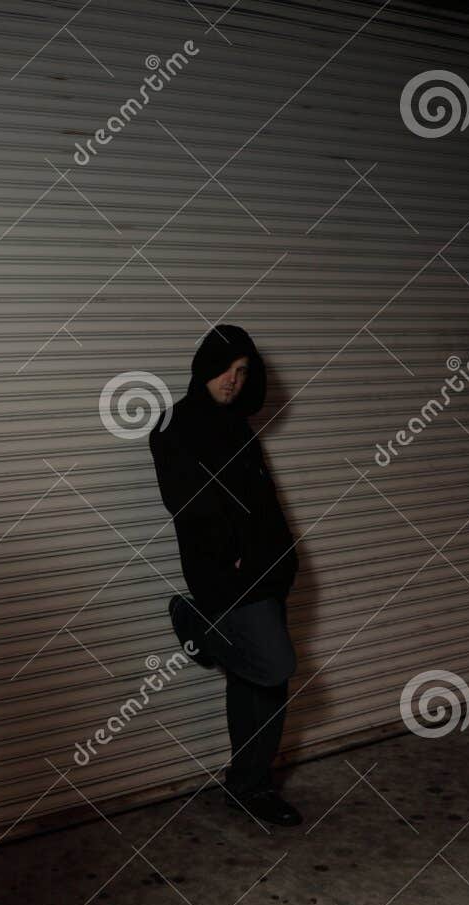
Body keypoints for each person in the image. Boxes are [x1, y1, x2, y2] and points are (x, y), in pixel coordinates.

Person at [148, 324, 302, 828]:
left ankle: (246, 784)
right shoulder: (176, 424)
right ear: (204, 364)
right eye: (226, 368)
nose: (233, 380)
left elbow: (263, 498)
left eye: (243, 372)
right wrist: (228, 551)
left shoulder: (238, 426)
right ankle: (198, 629)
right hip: (227, 574)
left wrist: (282, 553)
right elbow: (186, 501)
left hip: (269, 569)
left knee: (252, 679)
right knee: (276, 670)